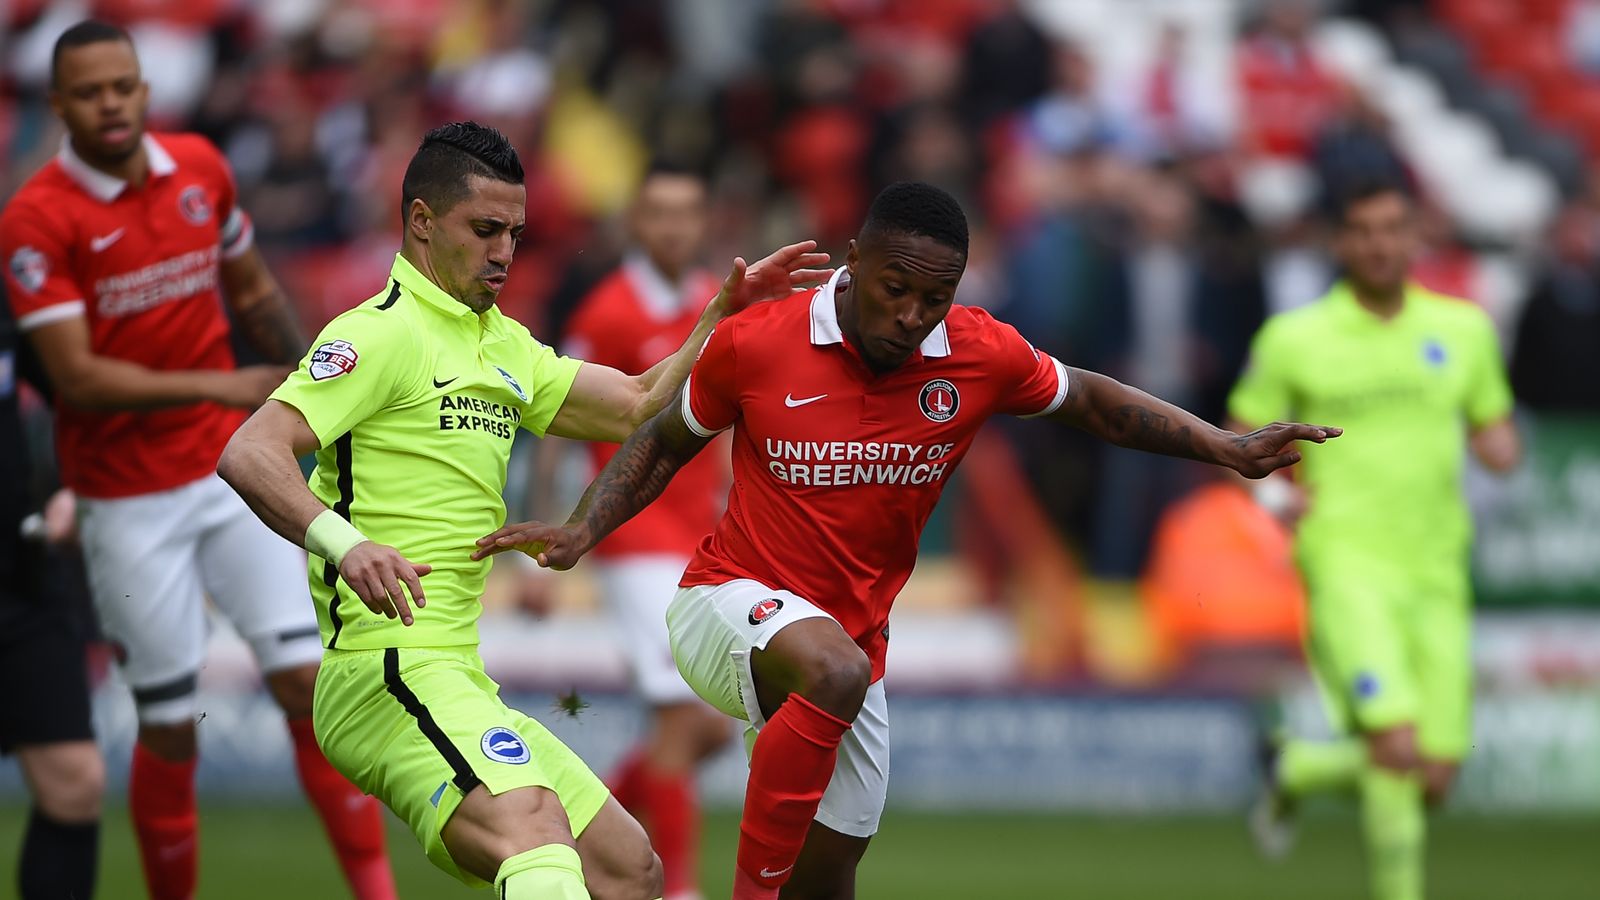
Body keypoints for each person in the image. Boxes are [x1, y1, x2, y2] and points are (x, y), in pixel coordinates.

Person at [474, 181, 1339, 900]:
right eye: (897, 288)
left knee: (832, 869)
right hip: (721, 601)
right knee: (831, 671)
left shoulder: (976, 353)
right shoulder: (759, 341)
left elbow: (1089, 398)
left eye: (937, 297)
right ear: (855, 262)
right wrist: (584, 526)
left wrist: (1222, 447)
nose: (914, 313)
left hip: (854, 641)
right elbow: (666, 437)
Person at [215, 121, 831, 898]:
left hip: (457, 674)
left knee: (628, 868)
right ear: (421, 221)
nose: (504, 251)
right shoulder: (379, 335)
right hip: (384, 671)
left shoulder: (504, 344)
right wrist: (347, 545)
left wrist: (724, 314)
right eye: (485, 230)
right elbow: (250, 451)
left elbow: (637, 402)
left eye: (514, 232)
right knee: (532, 831)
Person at [0, 19, 398, 900]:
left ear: (145, 89)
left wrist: (317, 400)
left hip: (226, 475)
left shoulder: (202, 171)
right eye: (90, 92)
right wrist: (215, 389)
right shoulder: (35, 220)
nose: (111, 103)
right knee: (171, 725)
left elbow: (251, 289)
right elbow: (76, 377)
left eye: (123, 86)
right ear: (59, 105)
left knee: (306, 681)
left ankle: (377, 892)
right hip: (124, 499)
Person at [1228, 181, 1520, 900]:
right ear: (1340, 242)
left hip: (1438, 570)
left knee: (1435, 777)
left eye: (1394, 228)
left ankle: (1293, 769)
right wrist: (1272, 498)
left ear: (1416, 235)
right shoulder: (1296, 338)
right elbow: (1242, 436)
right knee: (1394, 746)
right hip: (1346, 561)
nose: (1380, 243)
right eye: (1363, 230)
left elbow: (1495, 429)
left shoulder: (1464, 330)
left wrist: (1502, 447)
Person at [538, 162, 731, 900]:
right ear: (637, 225)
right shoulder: (608, 308)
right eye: (660, 213)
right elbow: (557, 418)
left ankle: (582, 819)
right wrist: (549, 545)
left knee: (707, 728)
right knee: (684, 717)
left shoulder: (715, 304)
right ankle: (676, 888)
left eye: (688, 212)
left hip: (696, 538)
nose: (675, 227)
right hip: (631, 538)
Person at [0, 296, 104, 900]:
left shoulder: (6, 288)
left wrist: (70, 485)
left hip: (20, 569)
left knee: (75, 783)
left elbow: (74, 389)